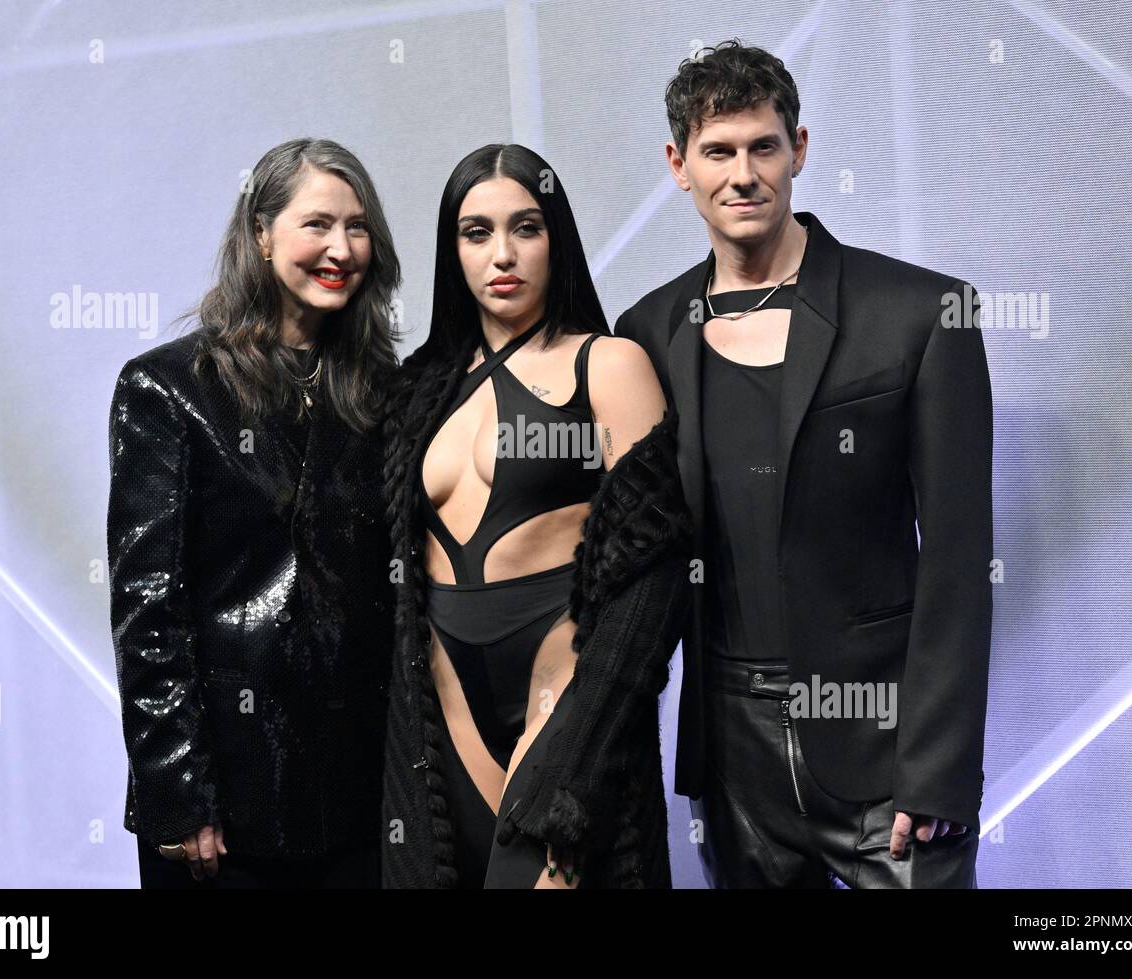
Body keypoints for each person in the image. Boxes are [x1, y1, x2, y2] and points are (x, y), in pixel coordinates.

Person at [616, 39, 993, 888]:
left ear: (800, 150)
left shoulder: (921, 313)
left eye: (763, 146)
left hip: (887, 752)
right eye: (718, 151)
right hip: (731, 759)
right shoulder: (645, 334)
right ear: (679, 165)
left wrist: (936, 772)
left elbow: (961, 565)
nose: (742, 174)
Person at [379, 143, 692, 888]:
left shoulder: (608, 364)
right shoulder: (416, 389)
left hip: (564, 688)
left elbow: (653, 579)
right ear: (451, 250)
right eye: (476, 232)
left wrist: (580, 759)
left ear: (558, 237)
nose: (503, 254)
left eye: (526, 227)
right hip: (442, 701)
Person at [106, 137, 399, 888]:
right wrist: (179, 792)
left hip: (359, 796)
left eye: (357, 226)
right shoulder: (166, 389)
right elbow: (149, 611)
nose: (341, 247)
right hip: (224, 806)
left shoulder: (386, 394)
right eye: (318, 224)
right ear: (262, 235)